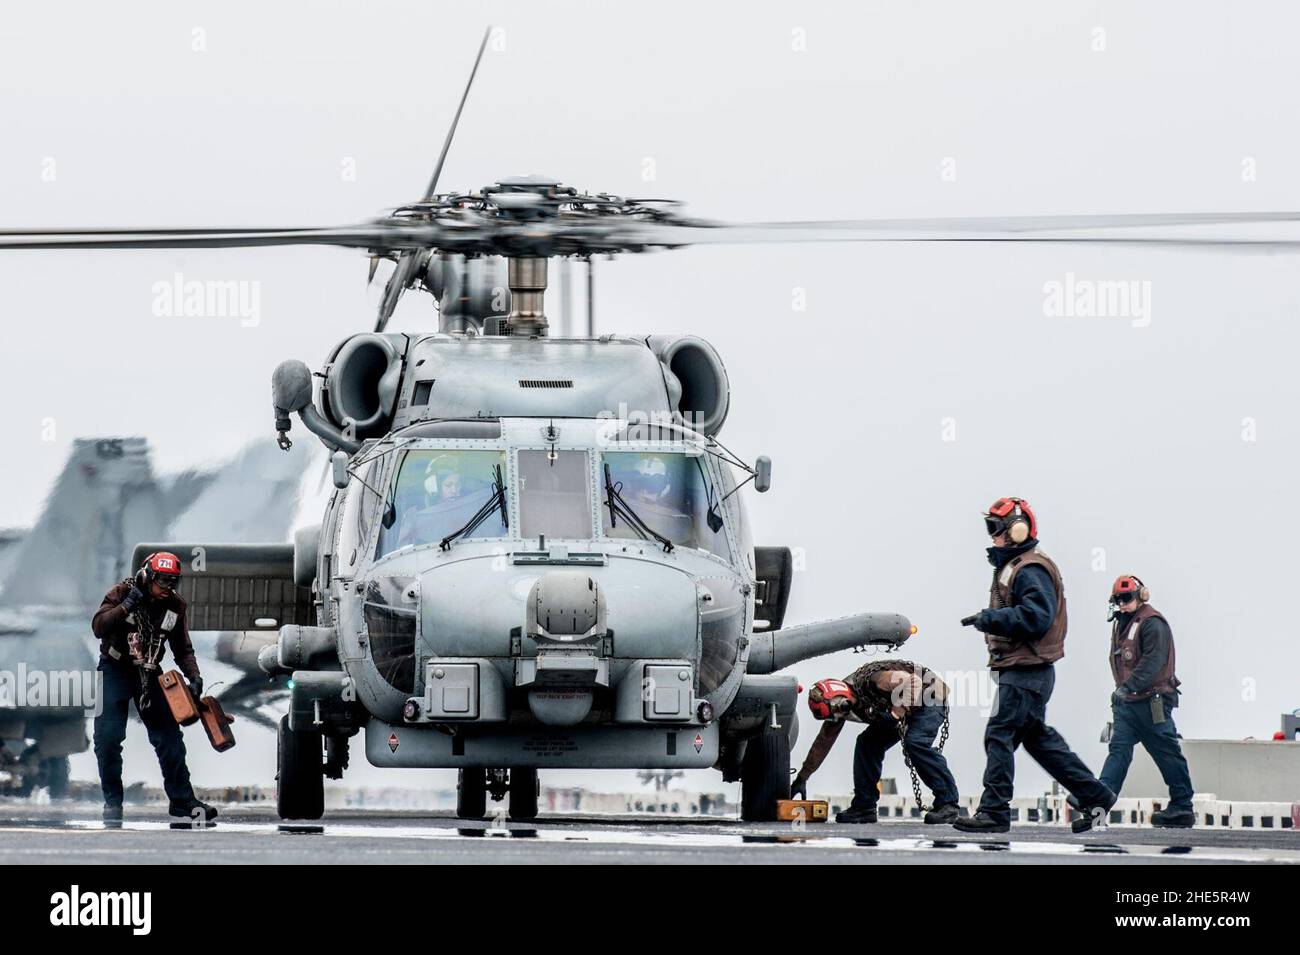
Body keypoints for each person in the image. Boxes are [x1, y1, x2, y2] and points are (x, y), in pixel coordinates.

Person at [956, 497, 1115, 834]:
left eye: (996, 529)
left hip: (1026, 669)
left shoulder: (1029, 568)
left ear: (1017, 530)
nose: (992, 537)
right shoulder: (1019, 564)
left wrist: (991, 619)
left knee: (1000, 734)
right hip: (1028, 670)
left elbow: (1037, 617)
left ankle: (995, 811)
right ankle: (1095, 794)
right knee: (1038, 740)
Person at [90, 552, 216, 825]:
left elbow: (182, 649)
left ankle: (182, 802)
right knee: (108, 740)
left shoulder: (175, 606)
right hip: (113, 669)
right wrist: (126, 606)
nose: (167, 588)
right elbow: (98, 626)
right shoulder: (121, 592)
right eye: (162, 581)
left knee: (170, 738)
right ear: (147, 577)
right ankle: (113, 803)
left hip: (148, 672)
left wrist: (194, 676)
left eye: (172, 582)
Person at [790, 659, 960, 824]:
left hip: (929, 697)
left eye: (841, 710)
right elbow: (823, 742)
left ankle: (948, 804)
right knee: (867, 744)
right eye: (834, 716)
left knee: (915, 742)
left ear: (843, 696)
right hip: (907, 707)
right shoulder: (838, 706)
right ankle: (864, 807)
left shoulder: (876, 680)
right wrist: (802, 778)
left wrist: (895, 713)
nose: (841, 717)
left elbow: (913, 681)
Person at [1095, 575, 1195, 828]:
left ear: (1141, 596)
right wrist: (1123, 693)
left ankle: (1182, 807)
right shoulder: (1122, 624)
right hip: (1127, 703)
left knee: (1166, 752)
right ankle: (1098, 802)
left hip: (1153, 703)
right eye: (1118, 600)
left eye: (1126, 598)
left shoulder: (1152, 623)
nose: (1122, 604)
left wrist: (1127, 687)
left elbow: (1154, 661)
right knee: (1118, 751)